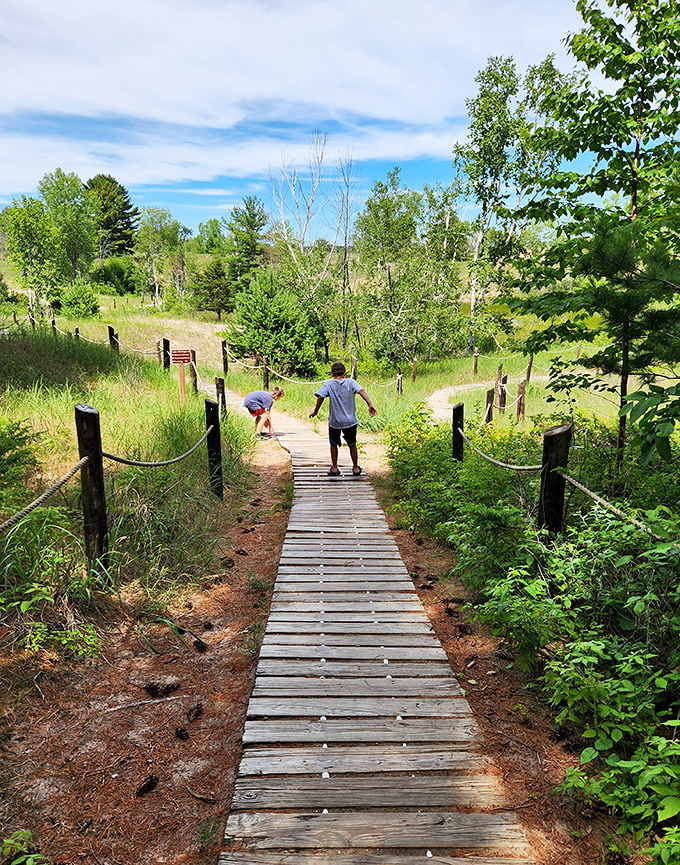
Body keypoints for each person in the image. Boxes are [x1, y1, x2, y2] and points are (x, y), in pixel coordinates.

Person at [309, 361, 377, 476]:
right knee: (352, 444)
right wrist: (370, 404)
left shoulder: (329, 384)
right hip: (350, 421)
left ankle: (335, 468)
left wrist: (316, 411)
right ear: (345, 373)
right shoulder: (351, 382)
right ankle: (355, 468)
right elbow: (361, 391)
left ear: (331, 374)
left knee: (333, 444)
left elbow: (320, 396)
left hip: (335, 421)